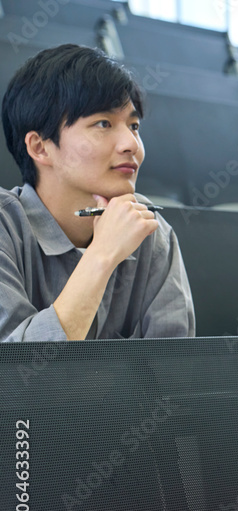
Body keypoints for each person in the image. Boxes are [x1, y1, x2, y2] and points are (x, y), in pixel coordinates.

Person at [0, 44, 195, 342]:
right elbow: (18, 376)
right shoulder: (6, 228)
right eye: (103, 123)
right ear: (40, 147)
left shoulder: (149, 229)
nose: (131, 144)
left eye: (134, 125)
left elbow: (174, 373)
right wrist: (102, 255)